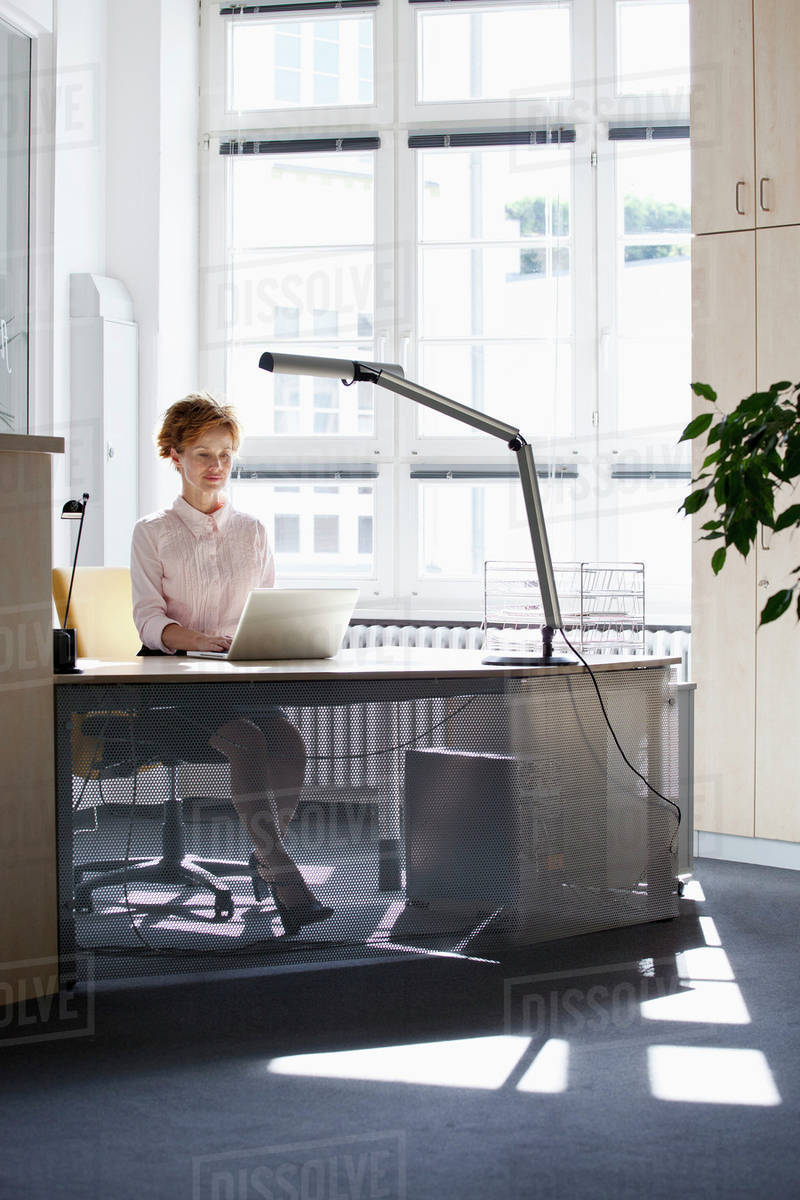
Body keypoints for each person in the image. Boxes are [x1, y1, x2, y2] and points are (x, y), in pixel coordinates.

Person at [130, 392, 333, 936]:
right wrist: (193, 638)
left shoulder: (254, 531)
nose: (216, 467)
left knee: (288, 740)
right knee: (245, 736)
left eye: (224, 454)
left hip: (241, 679)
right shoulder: (152, 532)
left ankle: (267, 855)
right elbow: (148, 621)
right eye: (202, 454)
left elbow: (267, 606)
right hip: (175, 688)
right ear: (173, 455)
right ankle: (282, 873)